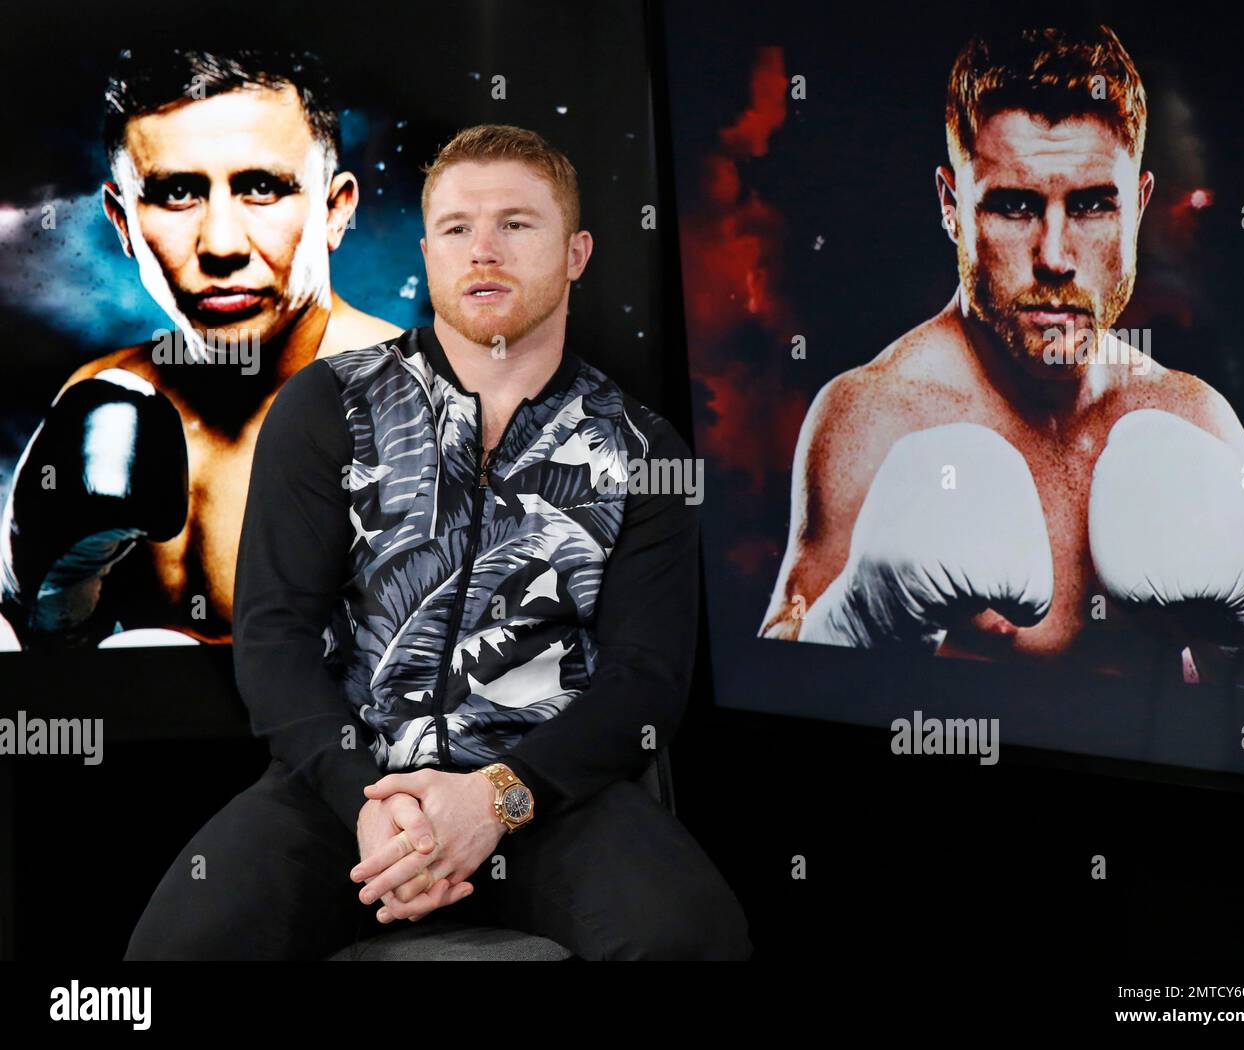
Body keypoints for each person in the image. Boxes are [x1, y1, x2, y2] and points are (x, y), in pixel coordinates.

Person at [124, 124, 753, 960]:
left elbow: (647, 682)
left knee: (694, 939)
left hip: (546, 797)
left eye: (516, 225)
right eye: (458, 228)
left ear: (576, 252)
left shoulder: (645, 450)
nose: (483, 251)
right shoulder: (327, 405)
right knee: (177, 950)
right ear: (428, 251)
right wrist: (368, 805)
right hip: (347, 790)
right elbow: (274, 637)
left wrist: (497, 800)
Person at [760, 25, 1244, 693]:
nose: (1054, 256)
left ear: (1138, 207)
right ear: (951, 207)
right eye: (1014, 207)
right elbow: (781, 692)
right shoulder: (875, 416)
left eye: (1092, 205)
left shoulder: (1195, 419)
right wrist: (863, 618)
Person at [0, 48, 402, 649]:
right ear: (122, 223)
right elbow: (45, 652)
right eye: (177, 193)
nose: (220, 244)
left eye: (262, 188)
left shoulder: (424, 409)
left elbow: (486, 688)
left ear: (334, 210)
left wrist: (209, 678)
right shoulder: (104, 393)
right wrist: (45, 619)